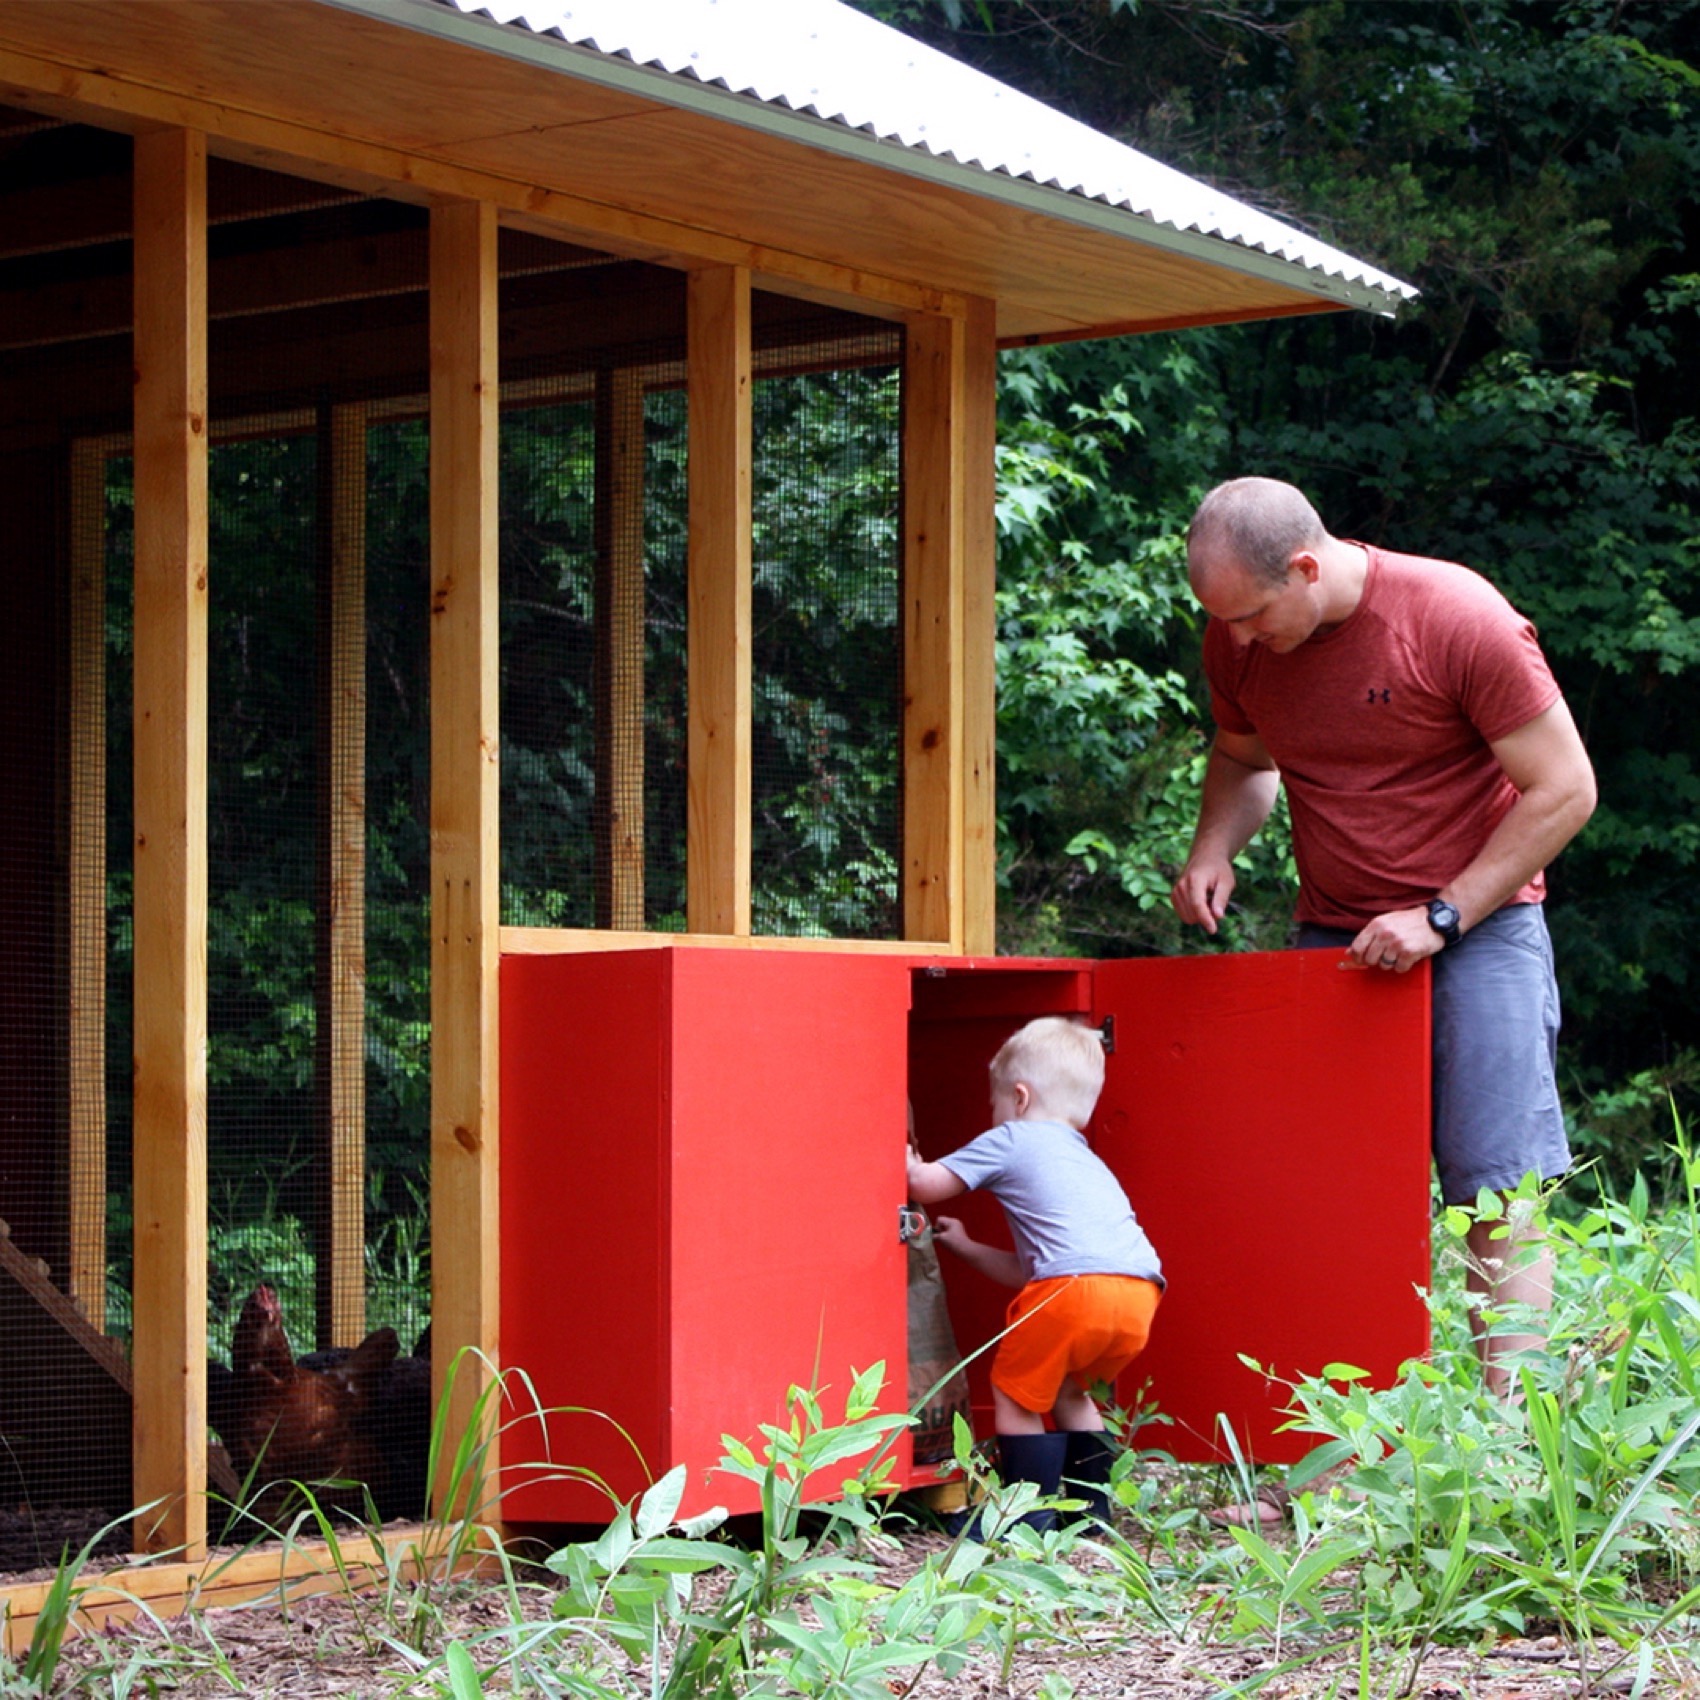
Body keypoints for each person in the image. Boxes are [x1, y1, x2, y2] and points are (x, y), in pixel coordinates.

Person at [1170, 477, 1597, 1448]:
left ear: (1307, 568)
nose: (1232, 640)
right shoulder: (1237, 637)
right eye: (1217, 620)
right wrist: (1212, 848)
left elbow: (1565, 787)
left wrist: (1441, 913)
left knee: (1496, 1182)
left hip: (1479, 924)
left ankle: (1507, 1436)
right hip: (1336, 938)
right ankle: (1344, 1431)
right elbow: (1244, 759)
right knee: (1334, 1183)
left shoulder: (1453, 618)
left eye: (1246, 616)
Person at [906, 1015, 1164, 1531]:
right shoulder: (1085, 1158)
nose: (994, 1113)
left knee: (1013, 1395)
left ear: (1019, 1098)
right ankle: (1094, 1514)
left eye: (994, 1102)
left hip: (1071, 1290)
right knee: (1072, 1392)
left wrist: (900, 1149)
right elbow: (1031, 1272)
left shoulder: (1014, 1138)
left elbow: (926, 1184)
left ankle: (1023, 1518)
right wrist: (968, 1246)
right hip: (1138, 1292)